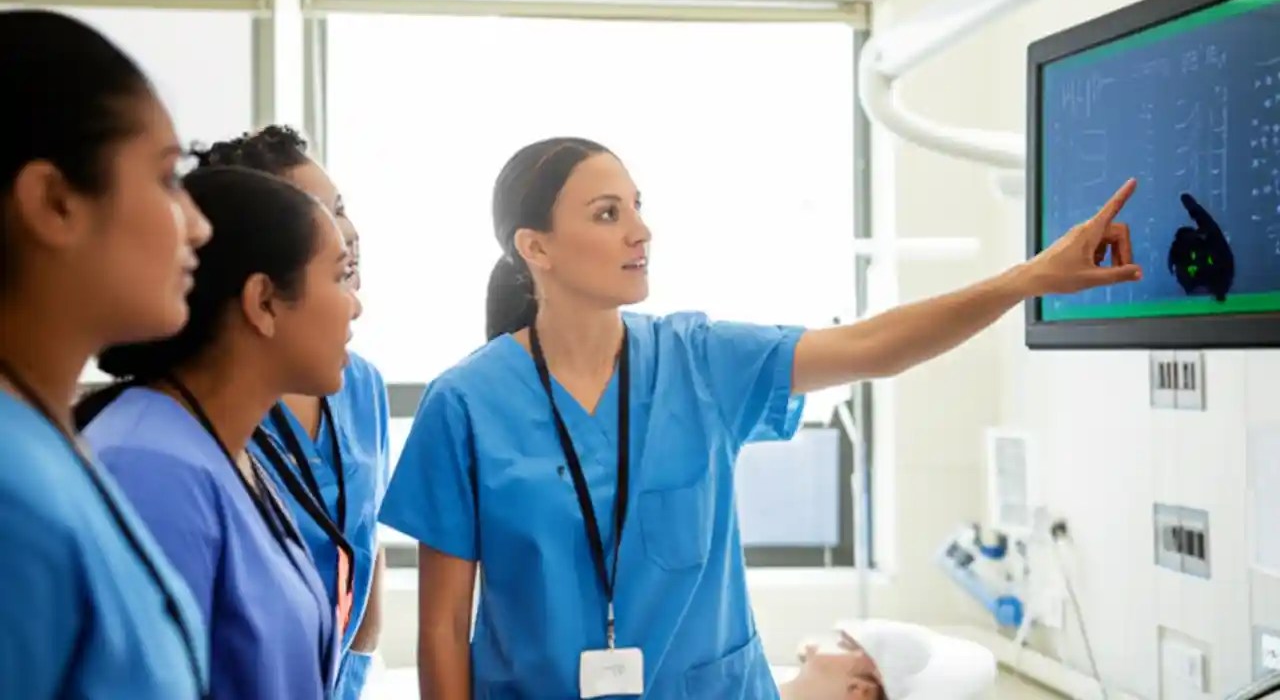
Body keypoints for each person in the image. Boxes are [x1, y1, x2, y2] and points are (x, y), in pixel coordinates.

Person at [378, 137, 1139, 698]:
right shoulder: (467, 404)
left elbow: (874, 347)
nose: (639, 230)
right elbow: (444, 627)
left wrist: (1031, 278)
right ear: (534, 247)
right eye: (608, 213)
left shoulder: (701, 361)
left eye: (639, 207)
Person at [75, 165, 358, 700]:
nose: (356, 305)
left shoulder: (229, 449)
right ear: (264, 302)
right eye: (341, 275)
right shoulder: (148, 468)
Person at [0, 9, 212, 699]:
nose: (199, 224)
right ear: (56, 201)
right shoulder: (10, 494)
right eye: (165, 178)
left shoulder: (42, 440)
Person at [193, 124, 390, 700]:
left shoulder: (359, 385)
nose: (346, 233)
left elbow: (364, 531)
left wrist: (360, 652)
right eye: (320, 215)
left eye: (342, 209)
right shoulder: (213, 408)